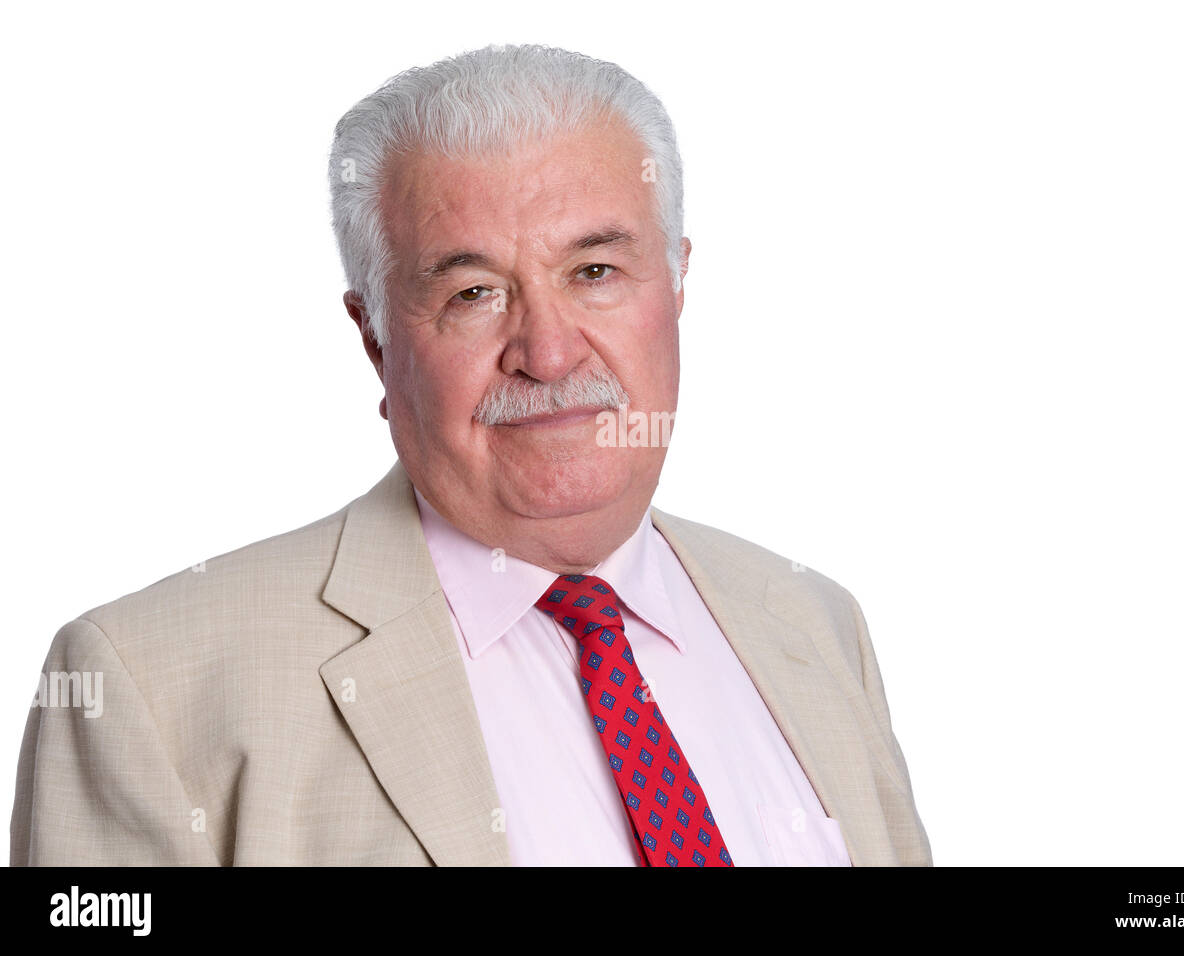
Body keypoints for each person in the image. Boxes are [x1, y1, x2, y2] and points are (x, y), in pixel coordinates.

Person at [10, 43, 931, 866]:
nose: (551, 352)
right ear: (375, 339)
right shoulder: (150, 688)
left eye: (596, 272)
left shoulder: (815, 626)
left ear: (678, 283)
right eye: (475, 291)